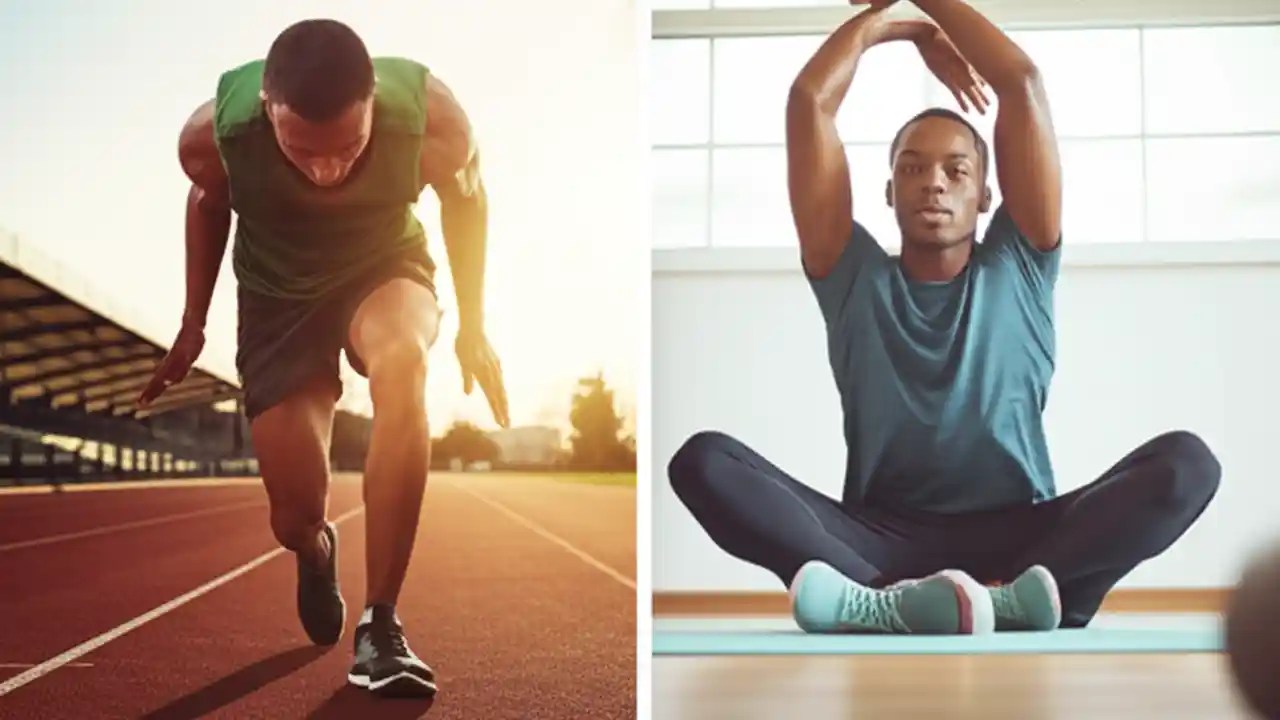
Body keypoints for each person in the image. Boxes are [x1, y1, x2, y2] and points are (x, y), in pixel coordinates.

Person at [667, 0, 1220, 635]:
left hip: (1027, 542)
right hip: (881, 540)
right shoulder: (851, 274)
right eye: (912, 168)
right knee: (702, 461)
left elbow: (1020, 82)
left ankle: (1006, 599)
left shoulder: (1022, 260)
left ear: (986, 194)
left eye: (956, 171)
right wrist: (892, 27)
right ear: (888, 191)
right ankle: (887, 600)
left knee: (1188, 463)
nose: (934, 182)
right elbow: (809, 102)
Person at [137, 19, 510, 696]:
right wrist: (193, 325)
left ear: (373, 107)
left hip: (383, 266)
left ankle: (381, 625)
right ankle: (315, 549)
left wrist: (474, 324)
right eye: (301, 150)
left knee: (404, 360)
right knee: (292, 516)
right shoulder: (212, 140)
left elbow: (468, 197)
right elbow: (209, 202)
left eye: (348, 147)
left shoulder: (433, 124)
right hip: (277, 297)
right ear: (268, 111)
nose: (326, 170)